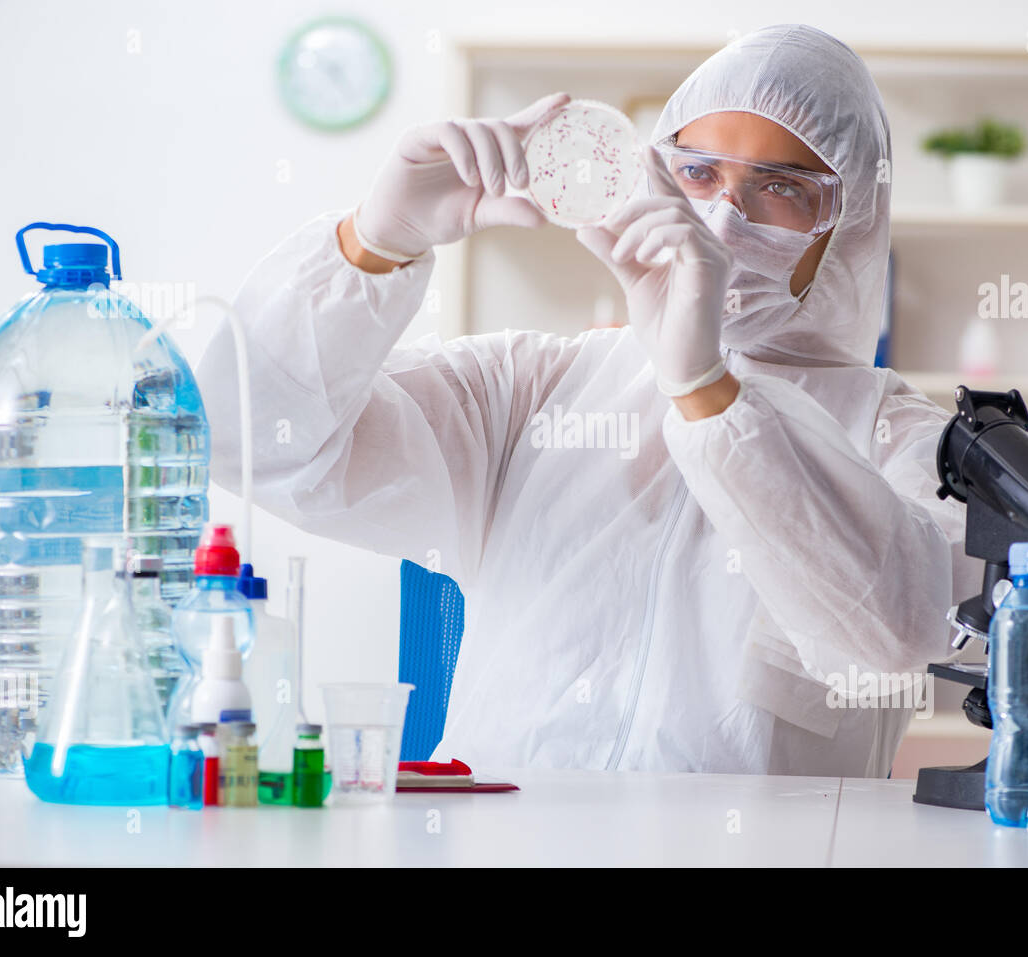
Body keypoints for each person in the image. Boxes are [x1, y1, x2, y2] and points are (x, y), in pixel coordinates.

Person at [198, 24, 975, 777]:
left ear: (851, 223)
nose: (720, 217)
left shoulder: (913, 444)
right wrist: (373, 245)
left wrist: (707, 388)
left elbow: (902, 634)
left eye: (781, 188)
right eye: (698, 173)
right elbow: (255, 442)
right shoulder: (534, 388)